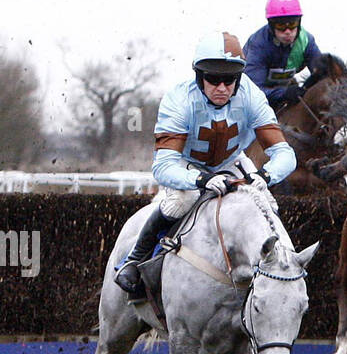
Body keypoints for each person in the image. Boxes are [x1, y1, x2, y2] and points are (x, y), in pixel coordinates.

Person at [114, 32, 297, 297]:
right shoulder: (178, 100)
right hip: (187, 165)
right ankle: (133, 261)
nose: (222, 87)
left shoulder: (252, 96)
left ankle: (283, 267)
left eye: (230, 79)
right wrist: (200, 180)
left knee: (266, 201)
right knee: (180, 203)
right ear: (199, 76)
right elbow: (164, 166)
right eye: (213, 78)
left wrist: (265, 176)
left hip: (231, 161)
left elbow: (285, 153)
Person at [243, 0, 324, 108]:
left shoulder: (307, 42)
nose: (287, 31)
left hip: (282, 89)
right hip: (252, 100)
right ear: (271, 25)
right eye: (281, 26)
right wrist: (284, 93)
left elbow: (322, 76)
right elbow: (253, 93)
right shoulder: (258, 44)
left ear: (299, 22)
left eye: (292, 24)